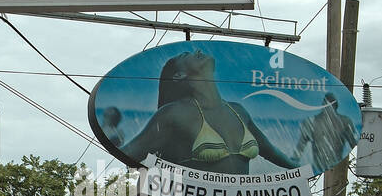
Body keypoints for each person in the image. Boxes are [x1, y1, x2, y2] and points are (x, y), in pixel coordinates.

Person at [119, 49, 301, 173]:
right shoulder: (173, 113)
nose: (198, 51)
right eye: (186, 55)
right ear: (179, 75)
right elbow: (129, 151)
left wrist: (304, 172)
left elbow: (272, 152)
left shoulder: (238, 111)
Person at [292, 93, 358, 174]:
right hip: (317, 168)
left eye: (330, 105)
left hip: (336, 167)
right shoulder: (311, 122)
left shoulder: (345, 122)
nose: (328, 109)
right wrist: (292, 168)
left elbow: (354, 144)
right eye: (326, 105)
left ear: (335, 106)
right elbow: (300, 147)